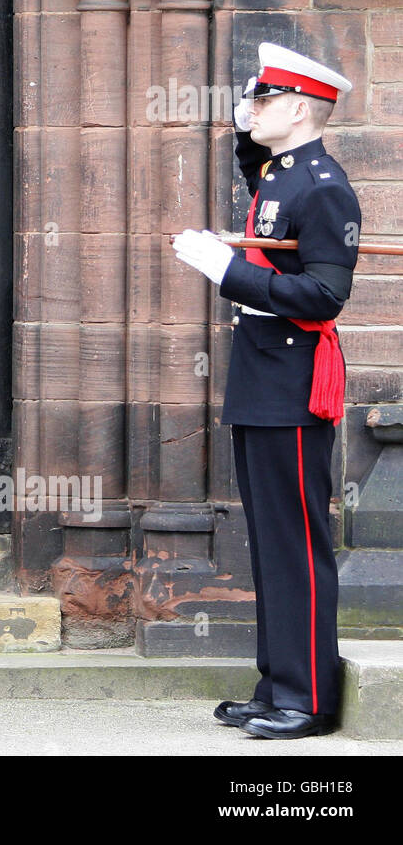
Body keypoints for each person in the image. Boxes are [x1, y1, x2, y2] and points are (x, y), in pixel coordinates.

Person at [173, 42, 359, 740]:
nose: (252, 108)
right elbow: (254, 166)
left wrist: (231, 273)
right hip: (263, 375)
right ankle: (277, 682)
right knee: (268, 539)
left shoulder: (325, 187)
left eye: (265, 98)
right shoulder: (283, 174)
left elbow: (325, 293)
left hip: (293, 382)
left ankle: (308, 697)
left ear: (303, 108)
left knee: (295, 542)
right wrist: (246, 120)